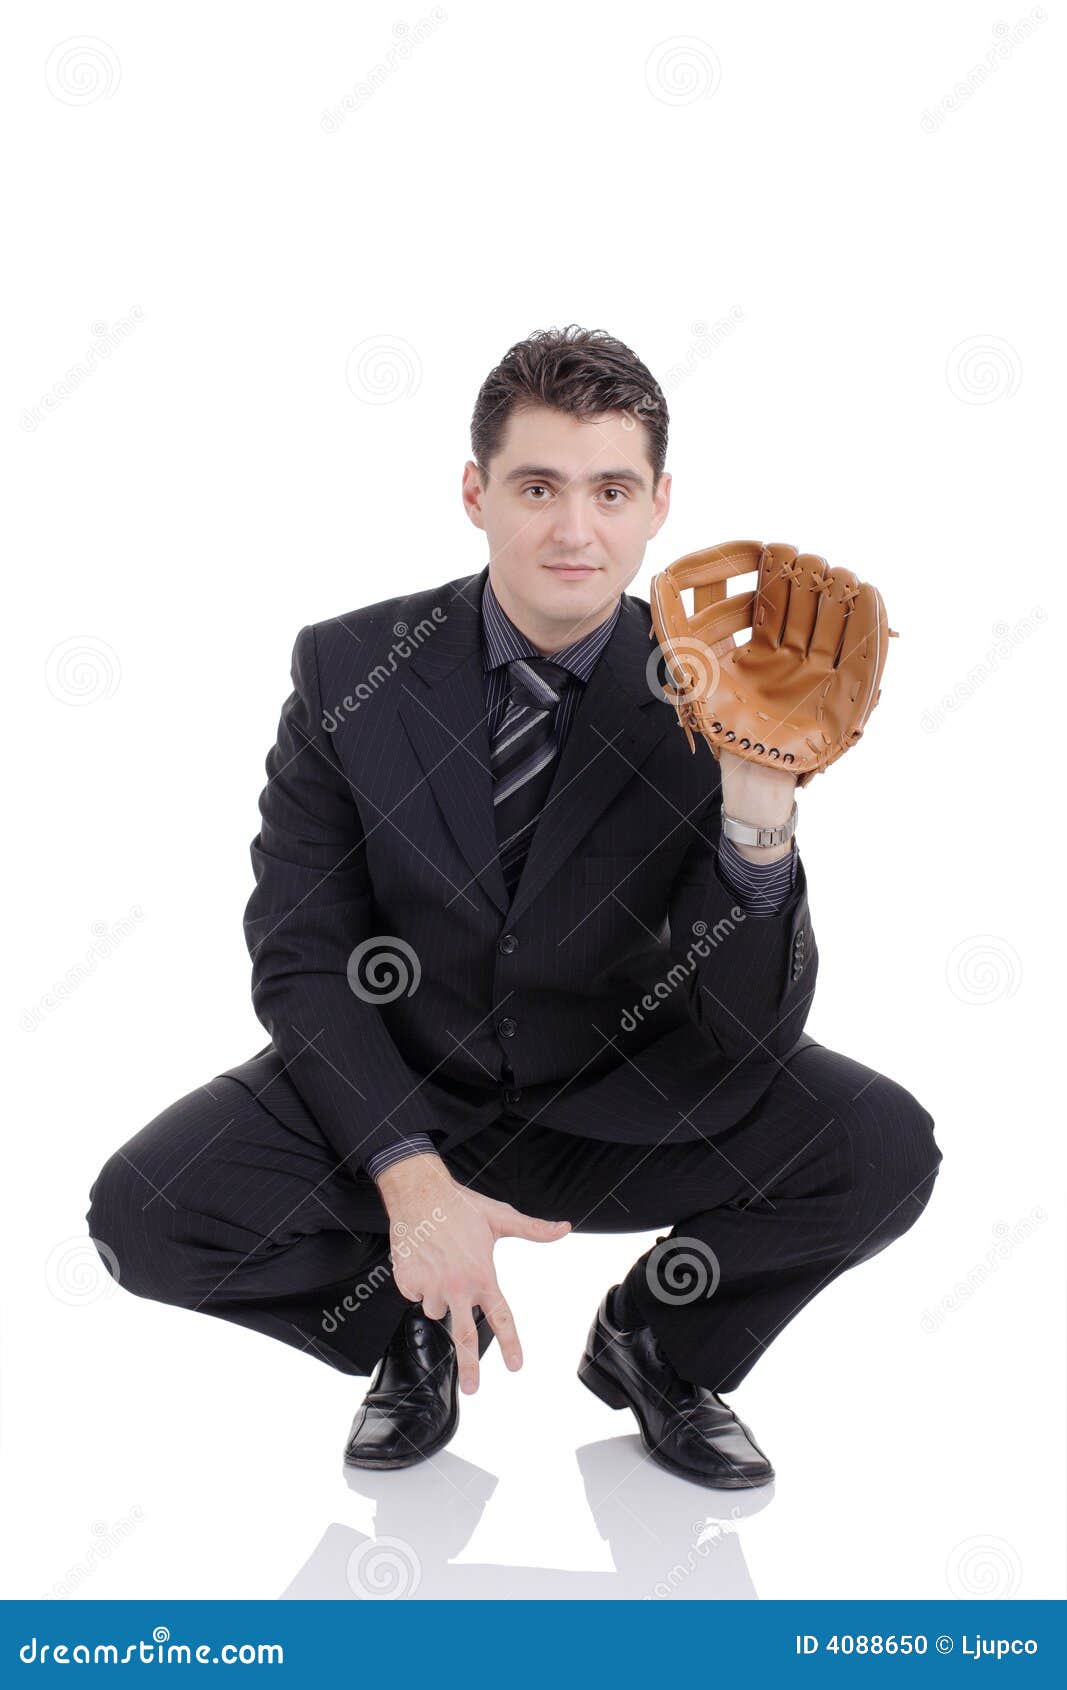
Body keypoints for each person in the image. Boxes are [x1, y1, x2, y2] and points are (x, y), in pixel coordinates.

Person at [86, 325, 942, 1490]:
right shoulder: (349, 670)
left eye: (609, 490)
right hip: (407, 1087)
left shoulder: (721, 690)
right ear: (474, 493)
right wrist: (406, 1173)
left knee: (880, 1145)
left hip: (618, 1097)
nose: (573, 529)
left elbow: (745, 1031)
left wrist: (757, 812)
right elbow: (299, 953)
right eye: (536, 486)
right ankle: (410, 1318)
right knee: (146, 1213)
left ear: (657, 507)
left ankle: (657, 1342)